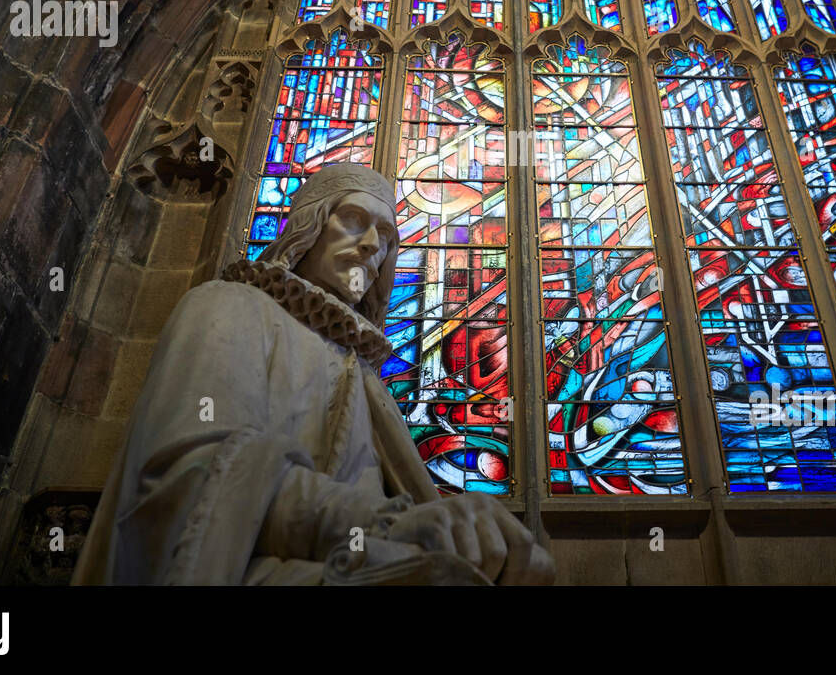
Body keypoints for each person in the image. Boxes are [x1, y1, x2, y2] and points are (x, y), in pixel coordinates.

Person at [72, 162, 553, 585]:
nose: (372, 246)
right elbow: (192, 473)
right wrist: (381, 525)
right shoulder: (229, 306)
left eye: (386, 237)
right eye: (353, 221)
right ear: (309, 226)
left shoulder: (367, 375)